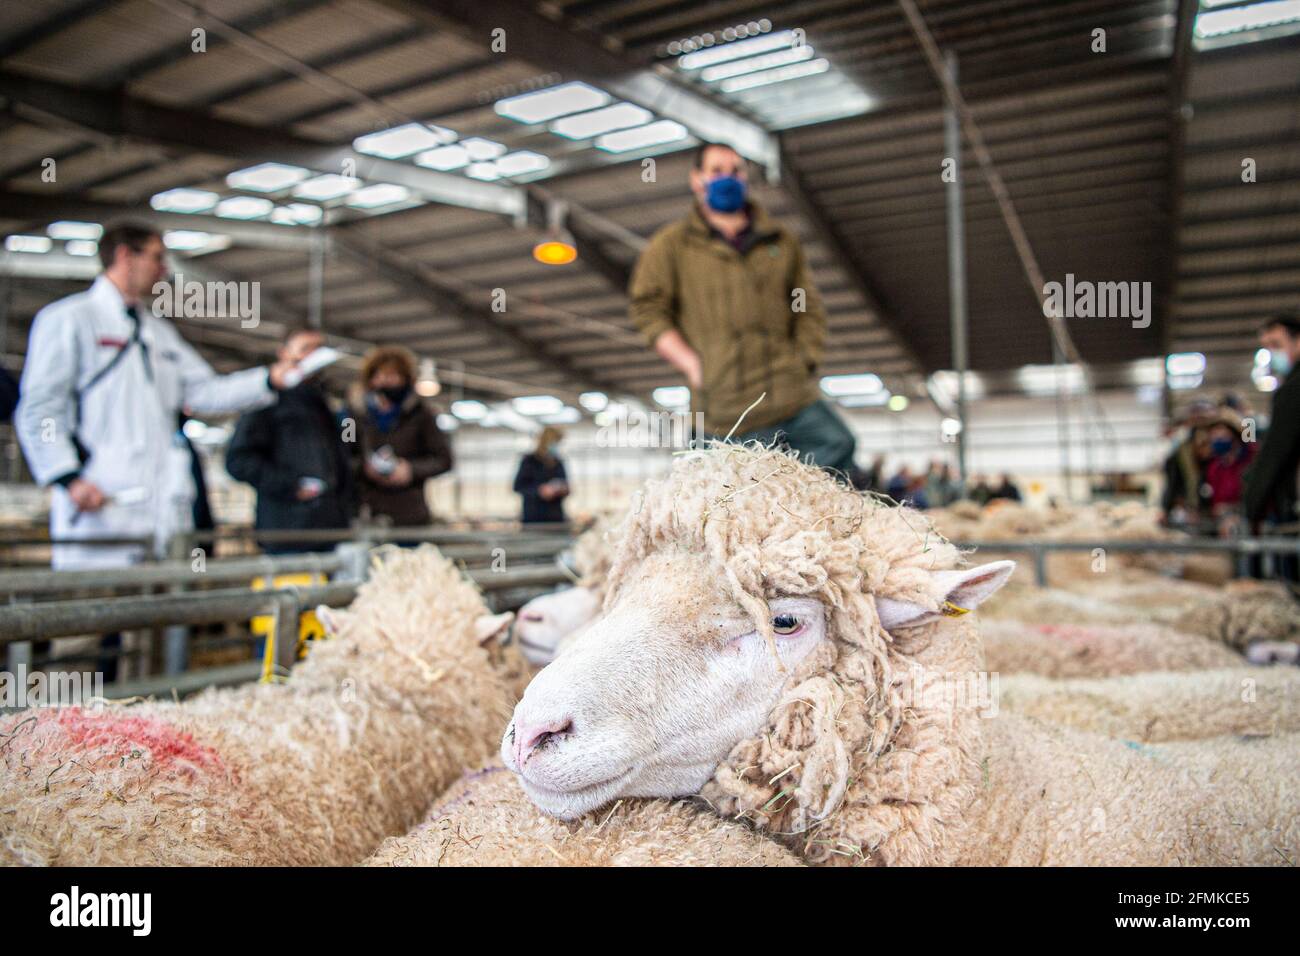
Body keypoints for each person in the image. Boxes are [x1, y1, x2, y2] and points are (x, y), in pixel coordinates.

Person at [15, 221, 297, 570]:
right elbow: (41, 406)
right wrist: (67, 476)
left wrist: (271, 379)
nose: (163, 270)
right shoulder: (69, 319)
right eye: (156, 258)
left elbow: (205, 391)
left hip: (161, 495)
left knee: (159, 604)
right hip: (102, 494)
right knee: (101, 604)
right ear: (124, 256)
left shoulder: (159, 334)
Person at [628, 141, 856, 475]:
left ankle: (796, 519)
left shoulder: (779, 241)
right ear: (697, 180)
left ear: (746, 176)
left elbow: (806, 305)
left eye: (735, 170)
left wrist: (803, 359)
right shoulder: (670, 246)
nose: (727, 178)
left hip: (789, 394)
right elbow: (648, 309)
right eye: (716, 171)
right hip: (721, 405)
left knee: (838, 444)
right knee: (715, 498)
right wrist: (692, 365)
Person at [225, 327, 351, 553]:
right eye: (305, 349)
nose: (313, 356)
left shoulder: (324, 404)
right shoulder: (266, 400)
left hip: (330, 529)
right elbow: (238, 461)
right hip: (287, 530)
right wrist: (291, 486)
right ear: (284, 353)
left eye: (318, 349)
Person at [348, 345, 452, 526]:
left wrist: (410, 469)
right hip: (366, 511)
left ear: (405, 379)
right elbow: (343, 455)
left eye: (393, 376)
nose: (386, 382)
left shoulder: (422, 416)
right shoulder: (351, 418)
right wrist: (364, 468)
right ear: (371, 379)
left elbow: (443, 459)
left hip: (410, 514)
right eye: (380, 375)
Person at [1244, 315, 1300, 537]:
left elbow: (1275, 451)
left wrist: (1251, 506)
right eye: (1266, 347)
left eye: (1276, 345)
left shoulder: (1293, 390)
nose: (1272, 354)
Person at [514, 426, 569, 524]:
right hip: (534, 519)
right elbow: (518, 487)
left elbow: (566, 485)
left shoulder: (558, 462)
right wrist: (539, 491)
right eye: (554, 442)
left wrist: (562, 489)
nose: (556, 446)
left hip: (555, 519)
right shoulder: (529, 461)